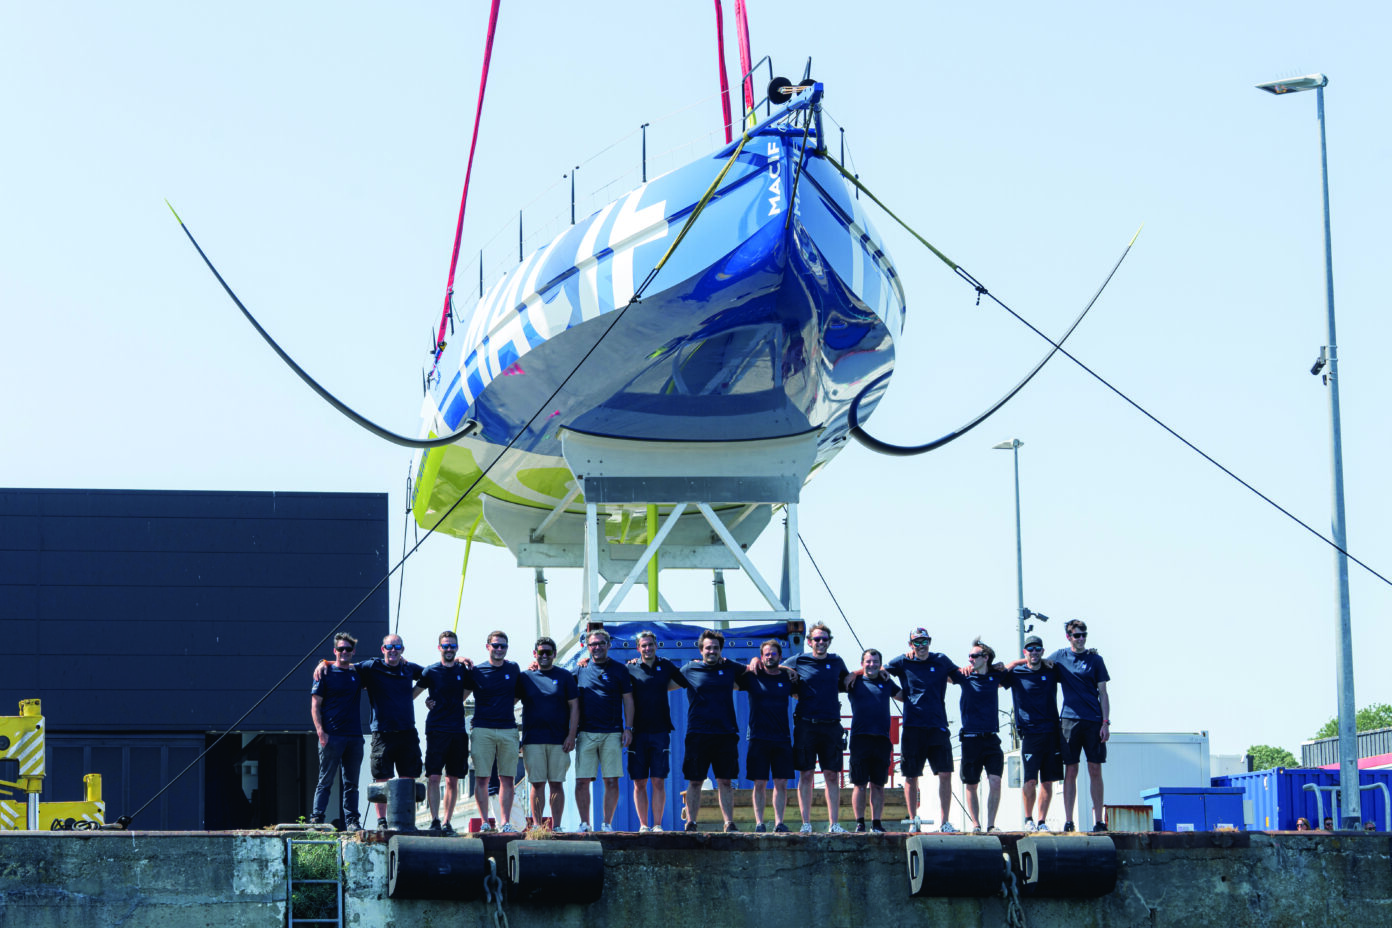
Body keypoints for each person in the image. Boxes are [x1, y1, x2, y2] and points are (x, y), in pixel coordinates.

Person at [314, 633, 425, 830]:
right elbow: (341, 668)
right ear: (382, 649)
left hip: (395, 732)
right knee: (376, 779)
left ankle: (363, 822)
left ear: (402, 649)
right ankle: (320, 819)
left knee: (400, 779)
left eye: (397, 647)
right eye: (389, 647)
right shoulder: (369, 667)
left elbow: (433, 675)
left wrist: (413, 696)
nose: (393, 651)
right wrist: (324, 662)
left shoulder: (407, 668)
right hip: (372, 732)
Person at [884, 627, 962, 833]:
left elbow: (960, 676)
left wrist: (994, 667)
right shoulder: (903, 661)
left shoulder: (941, 660)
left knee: (945, 773)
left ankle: (945, 821)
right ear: (910, 644)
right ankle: (913, 821)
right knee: (911, 775)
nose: (921, 645)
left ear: (930, 641)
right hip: (912, 727)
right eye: (917, 642)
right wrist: (897, 694)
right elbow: (877, 671)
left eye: (924, 641)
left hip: (938, 726)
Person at [783, 622, 851, 834]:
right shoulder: (799, 659)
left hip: (831, 725)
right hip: (806, 725)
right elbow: (775, 666)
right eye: (817, 639)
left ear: (829, 641)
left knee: (832, 775)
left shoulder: (837, 661)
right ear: (809, 641)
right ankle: (806, 823)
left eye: (824, 639)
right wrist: (787, 670)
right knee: (806, 774)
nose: (820, 642)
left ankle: (834, 824)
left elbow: (848, 680)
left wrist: (858, 673)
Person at [682, 628, 750, 831]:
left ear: (721, 650)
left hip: (725, 733)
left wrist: (786, 670)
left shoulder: (730, 668)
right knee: (695, 781)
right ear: (701, 650)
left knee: (725, 781)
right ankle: (691, 822)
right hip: (698, 733)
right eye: (708, 648)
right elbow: (663, 683)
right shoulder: (688, 670)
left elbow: (757, 669)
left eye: (715, 648)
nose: (712, 651)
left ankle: (729, 823)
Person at [1049, 619, 1111, 834]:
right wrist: (1008, 666)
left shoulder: (1096, 659)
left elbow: (1103, 692)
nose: (1081, 638)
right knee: (1071, 769)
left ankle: (1099, 820)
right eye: (1077, 635)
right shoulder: (1059, 657)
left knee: (1095, 768)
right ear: (1069, 637)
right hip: (1069, 720)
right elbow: (1035, 662)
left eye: (1084, 634)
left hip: (1093, 720)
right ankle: (1068, 820)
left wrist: (1105, 722)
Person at [626, 630, 689, 832]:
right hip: (637, 733)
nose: (647, 648)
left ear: (656, 646)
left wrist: (662, 688)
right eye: (643, 645)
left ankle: (657, 824)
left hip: (661, 731)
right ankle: (644, 825)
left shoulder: (666, 665)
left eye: (650, 644)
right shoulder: (630, 668)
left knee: (658, 780)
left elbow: (684, 680)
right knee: (639, 782)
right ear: (638, 648)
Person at [574, 628, 635, 833]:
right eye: (593, 644)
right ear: (587, 647)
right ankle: (584, 823)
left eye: (601, 643)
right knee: (582, 781)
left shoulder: (620, 670)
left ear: (609, 645)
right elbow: (555, 679)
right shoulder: (579, 669)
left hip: (612, 733)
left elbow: (628, 699)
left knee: (611, 780)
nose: (597, 647)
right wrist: (536, 665)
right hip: (586, 733)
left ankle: (607, 824)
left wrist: (628, 728)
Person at [414, 630, 473, 836]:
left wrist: (455, 702)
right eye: (445, 645)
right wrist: (425, 701)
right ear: (439, 648)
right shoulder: (430, 671)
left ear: (457, 647)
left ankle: (447, 821)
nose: (449, 649)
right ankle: (435, 820)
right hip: (437, 729)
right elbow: (414, 693)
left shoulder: (463, 670)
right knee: (433, 777)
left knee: (453, 779)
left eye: (452, 645)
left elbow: (466, 691)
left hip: (457, 729)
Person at [516, 636, 577, 830]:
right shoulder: (525, 677)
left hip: (559, 740)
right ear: (535, 654)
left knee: (557, 783)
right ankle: (536, 825)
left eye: (548, 652)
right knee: (537, 784)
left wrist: (571, 735)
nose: (544, 655)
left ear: (554, 654)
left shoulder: (565, 676)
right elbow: (509, 702)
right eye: (540, 652)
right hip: (533, 740)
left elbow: (575, 706)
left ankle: (556, 826)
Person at [1002, 634, 1062, 831]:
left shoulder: (1051, 671)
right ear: (1025, 652)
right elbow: (997, 676)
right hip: (1030, 733)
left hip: (1051, 732)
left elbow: (1069, 666)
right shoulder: (1016, 673)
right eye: (1030, 649)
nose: (1034, 652)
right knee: (1029, 779)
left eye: (1038, 649)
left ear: (1042, 651)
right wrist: (1016, 661)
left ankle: (1042, 821)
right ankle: (1028, 819)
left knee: (1047, 780)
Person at [309, 632, 365, 831]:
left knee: (352, 783)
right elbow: (315, 704)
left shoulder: (357, 673)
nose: (344, 652)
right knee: (325, 780)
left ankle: (352, 821)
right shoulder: (325, 673)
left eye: (348, 649)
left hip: (354, 737)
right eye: (340, 649)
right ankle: (316, 819)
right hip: (332, 735)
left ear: (353, 651)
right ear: (335, 651)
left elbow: (382, 665)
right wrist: (320, 732)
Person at [470, 630, 522, 833]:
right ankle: (484, 822)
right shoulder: (476, 670)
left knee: (507, 778)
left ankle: (505, 822)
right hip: (483, 729)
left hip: (508, 728)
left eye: (503, 646)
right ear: (487, 647)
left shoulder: (514, 668)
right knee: (482, 778)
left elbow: (518, 694)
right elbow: (459, 694)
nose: (499, 649)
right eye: (495, 645)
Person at [845, 649, 901, 834]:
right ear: (862, 663)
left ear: (880, 663)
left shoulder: (886, 681)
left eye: (875, 661)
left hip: (882, 739)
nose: (872, 665)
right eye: (868, 661)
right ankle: (860, 823)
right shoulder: (854, 681)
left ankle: (876, 823)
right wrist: (855, 672)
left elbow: (903, 696)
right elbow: (838, 681)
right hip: (860, 738)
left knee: (878, 784)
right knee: (859, 784)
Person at [744, 639, 796, 833]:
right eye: (766, 653)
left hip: (782, 738)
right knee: (759, 783)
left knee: (781, 783)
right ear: (761, 656)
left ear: (780, 657)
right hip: (758, 737)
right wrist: (753, 659)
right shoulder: (751, 676)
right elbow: (730, 672)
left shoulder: (787, 678)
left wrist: (786, 669)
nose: (770, 656)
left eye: (774, 653)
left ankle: (779, 823)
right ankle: (760, 823)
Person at [956, 639, 1007, 833]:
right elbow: (943, 673)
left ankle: (991, 825)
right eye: (969, 656)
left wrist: (998, 666)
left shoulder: (996, 676)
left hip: (991, 738)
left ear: (985, 658)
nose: (970, 659)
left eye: (975, 656)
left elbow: (1017, 665)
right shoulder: (964, 676)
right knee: (972, 784)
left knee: (995, 781)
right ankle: (976, 824)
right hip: (970, 738)